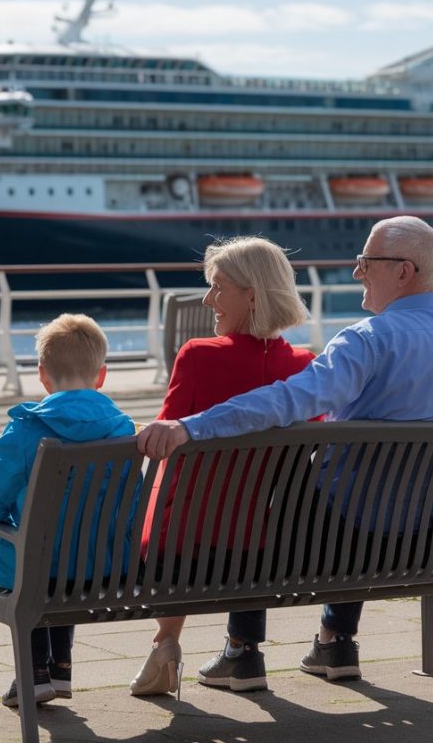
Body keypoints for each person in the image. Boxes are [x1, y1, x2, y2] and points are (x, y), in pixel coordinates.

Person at [137, 215, 433, 689]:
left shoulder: (370, 339)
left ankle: (243, 649)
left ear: (404, 271)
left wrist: (191, 426)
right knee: (368, 486)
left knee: (289, 481)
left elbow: (288, 399)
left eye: (367, 262)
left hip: (329, 544)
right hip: (425, 539)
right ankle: (335, 640)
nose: (357, 273)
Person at [129, 236, 316, 697]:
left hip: (179, 549)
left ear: (252, 293)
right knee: (243, 506)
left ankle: (166, 641)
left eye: (218, 287)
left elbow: (163, 437)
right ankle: (244, 651)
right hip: (262, 548)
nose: (210, 299)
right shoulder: (306, 367)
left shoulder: (199, 355)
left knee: (174, 502)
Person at [0, 313, 135, 708]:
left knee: (23, 546)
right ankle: (60, 665)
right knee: (70, 543)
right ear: (102, 375)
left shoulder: (27, 429)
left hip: (40, 569)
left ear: (43, 375)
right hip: (102, 566)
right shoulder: (123, 429)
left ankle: (34, 673)